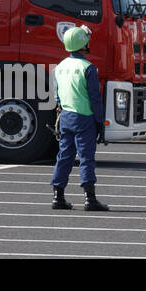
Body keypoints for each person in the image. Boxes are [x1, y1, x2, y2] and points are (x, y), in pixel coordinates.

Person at [50, 25, 109, 212]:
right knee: (86, 158)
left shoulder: (59, 67)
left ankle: (58, 196)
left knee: (64, 157)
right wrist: (100, 123)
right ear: (83, 44)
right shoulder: (88, 68)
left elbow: (57, 95)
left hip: (66, 116)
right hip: (84, 118)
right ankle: (90, 199)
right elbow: (95, 98)